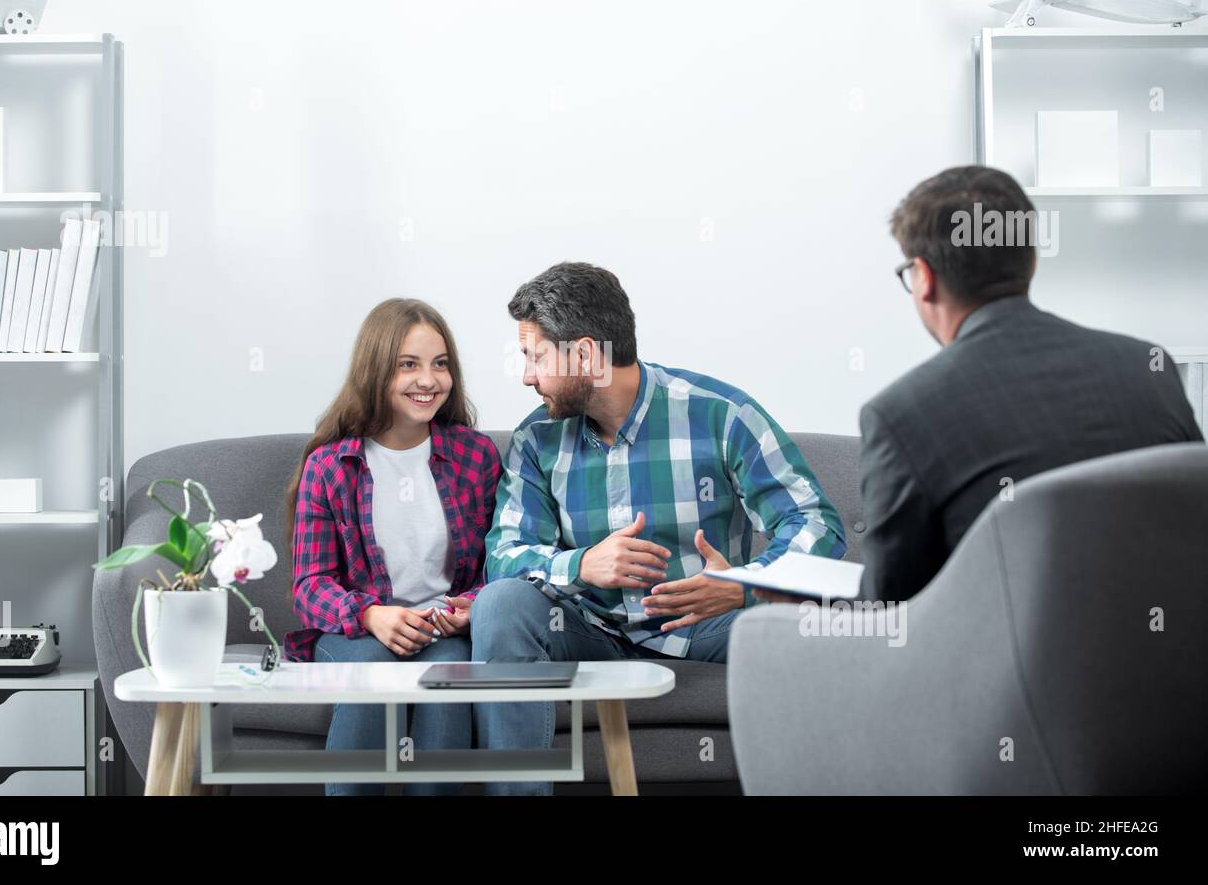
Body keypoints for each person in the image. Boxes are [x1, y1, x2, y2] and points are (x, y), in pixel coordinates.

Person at [472, 261, 847, 794]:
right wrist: (582, 564)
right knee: (501, 604)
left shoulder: (719, 414)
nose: (526, 375)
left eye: (534, 356)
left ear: (583, 355)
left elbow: (814, 522)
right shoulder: (538, 440)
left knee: (811, 624)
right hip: (589, 629)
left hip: (704, 627)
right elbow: (505, 555)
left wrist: (744, 586)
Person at [855, 165, 1202, 601]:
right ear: (1032, 261)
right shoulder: (1150, 367)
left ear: (923, 278)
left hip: (1003, 668)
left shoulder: (899, 415)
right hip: (1173, 659)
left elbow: (888, 617)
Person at [282, 298, 502, 795]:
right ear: (376, 370)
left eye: (439, 364)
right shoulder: (330, 465)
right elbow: (309, 586)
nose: (428, 380)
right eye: (409, 364)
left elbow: (500, 561)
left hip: (441, 629)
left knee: (443, 673)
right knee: (374, 670)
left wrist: (469, 605)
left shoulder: (476, 455)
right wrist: (370, 616)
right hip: (359, 631)